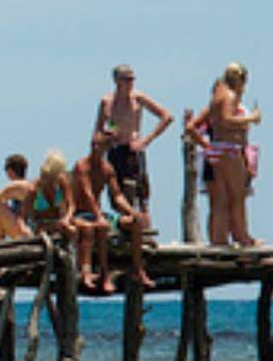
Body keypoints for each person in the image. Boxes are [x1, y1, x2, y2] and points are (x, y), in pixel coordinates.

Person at [187, 63, 261, 247]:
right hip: (229, 149)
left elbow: (193, 126)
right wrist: (251, 118)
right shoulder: (229, 95)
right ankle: (242, 237)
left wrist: (206, 145)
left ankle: (219, 238)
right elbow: (226, 119)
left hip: (217, 149)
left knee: (220, 199)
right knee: (238, 195)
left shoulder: (216, 97)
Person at [69, 134, 153, 293]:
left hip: (98, 213)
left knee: (135, 223)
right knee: (101, 227)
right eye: (93, 144)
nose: (95, 148)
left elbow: (117, 195)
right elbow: (88, 194)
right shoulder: (82, 166)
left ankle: (138, 269)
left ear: (106, 148)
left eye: (99, 145)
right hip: (80, 214)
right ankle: (104, 273)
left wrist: (132, 212)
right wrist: (99, 217)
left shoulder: (107, 168)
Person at [94, 65, 171, 210]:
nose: (130, 83)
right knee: (116, 192)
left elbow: (166, 117)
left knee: (140, 192)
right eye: (126, 80)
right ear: (117, 80)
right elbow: (99, 130)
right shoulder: (107, 102)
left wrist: (147, 140)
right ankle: (122, 220)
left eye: (132, 79)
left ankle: (141, 219)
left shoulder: (138, 98)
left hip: (133, 150)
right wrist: (107, 136)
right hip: (115, 150)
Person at [0, 155, 34, 240]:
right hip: (27, 226)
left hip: (24, 230)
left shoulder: (17, 185)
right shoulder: (29, 184)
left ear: (10, 171)